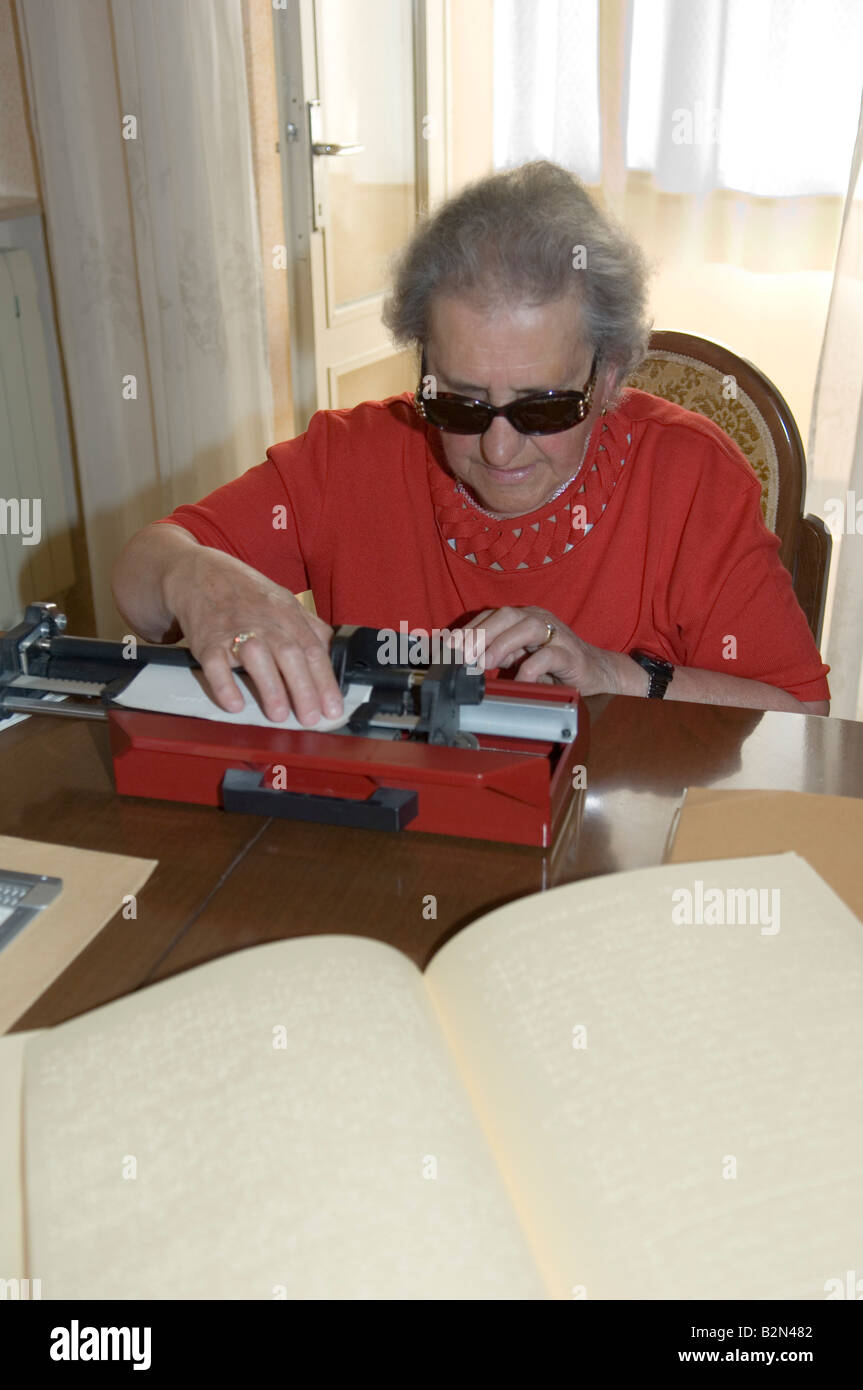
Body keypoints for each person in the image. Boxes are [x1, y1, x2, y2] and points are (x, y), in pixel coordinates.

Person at [112, 160, 830, 725]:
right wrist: (194, 578)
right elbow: (141, 579)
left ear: (608, 378)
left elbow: (800, 711)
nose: (497, 449)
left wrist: (612, 674)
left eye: (542, 409)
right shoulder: (351, 458)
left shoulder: (687, 477)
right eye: (458, 402)